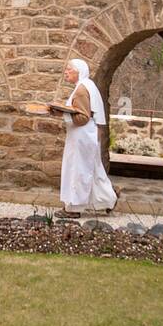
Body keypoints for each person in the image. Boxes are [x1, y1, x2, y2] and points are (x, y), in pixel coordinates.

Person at [59, 59, 118, 217]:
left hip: (81, 135)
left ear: (78, 71)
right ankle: (108, 198)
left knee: (78, 169)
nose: (66, 72)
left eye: (69, 69)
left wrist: (62, 113)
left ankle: (74, 208)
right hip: (85, 135)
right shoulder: (86, 85)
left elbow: (83, 117)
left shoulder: (81, 90)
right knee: (92, 168)